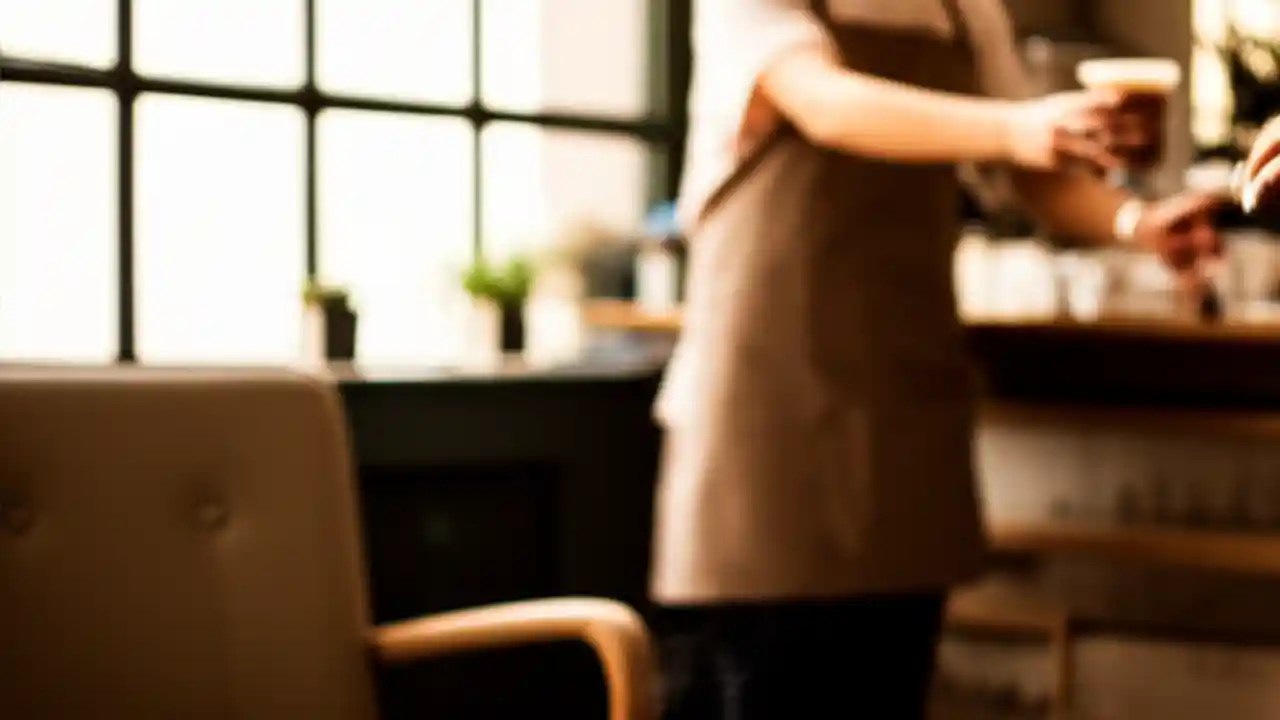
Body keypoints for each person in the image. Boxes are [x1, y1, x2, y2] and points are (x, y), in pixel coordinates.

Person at [649, 1, 1225, 718]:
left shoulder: (965, 8)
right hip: (768, 401)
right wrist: (1017, 128)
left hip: (901, 392)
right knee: (767, 677)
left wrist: (1137, 222)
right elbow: (825, 103)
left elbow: (1028, 171)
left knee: (890, 678)